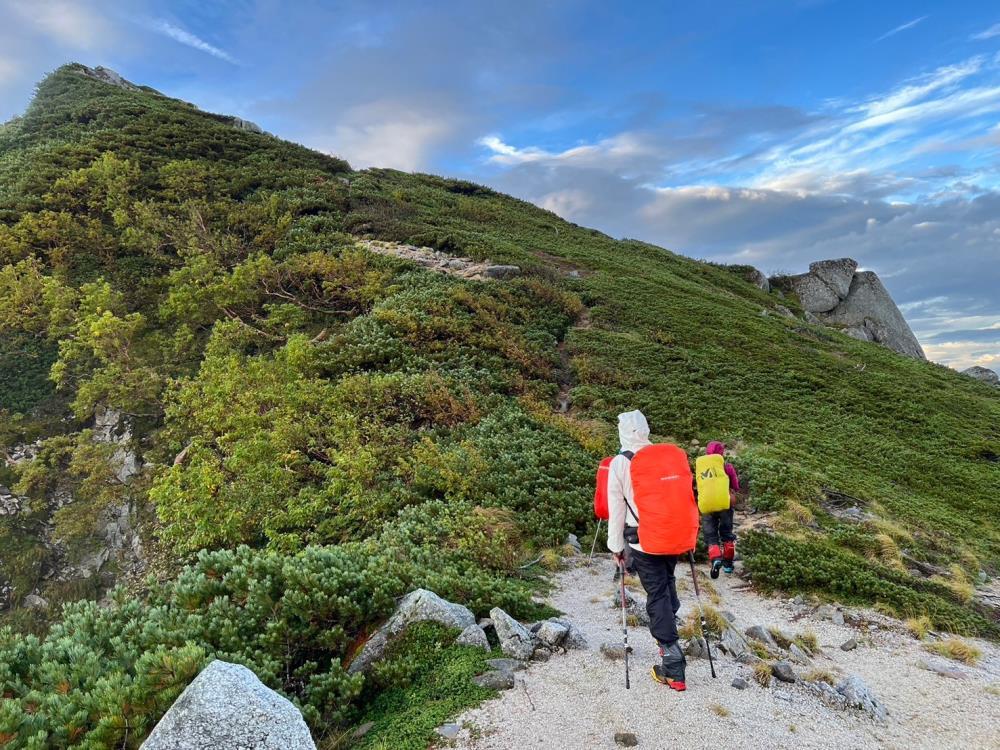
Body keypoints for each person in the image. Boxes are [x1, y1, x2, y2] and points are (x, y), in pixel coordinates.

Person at [606, 410, 687, 691]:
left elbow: (616, 511)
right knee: (667, 584)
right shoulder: (664, 456)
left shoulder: (620, 463)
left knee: (656, 595)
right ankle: (670, 623)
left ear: (623, 431)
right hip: (673, 535)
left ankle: (673, 664)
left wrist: (616, 547)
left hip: (644, 541)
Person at [698, 441, 740, 578]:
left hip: (707, 505)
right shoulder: (726, 466)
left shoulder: (702, 467)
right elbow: (735, 485)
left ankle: (716, 559)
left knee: (711, 536)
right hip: (724, 504)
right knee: (727, 534)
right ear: (721, 452)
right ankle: (728, 565)